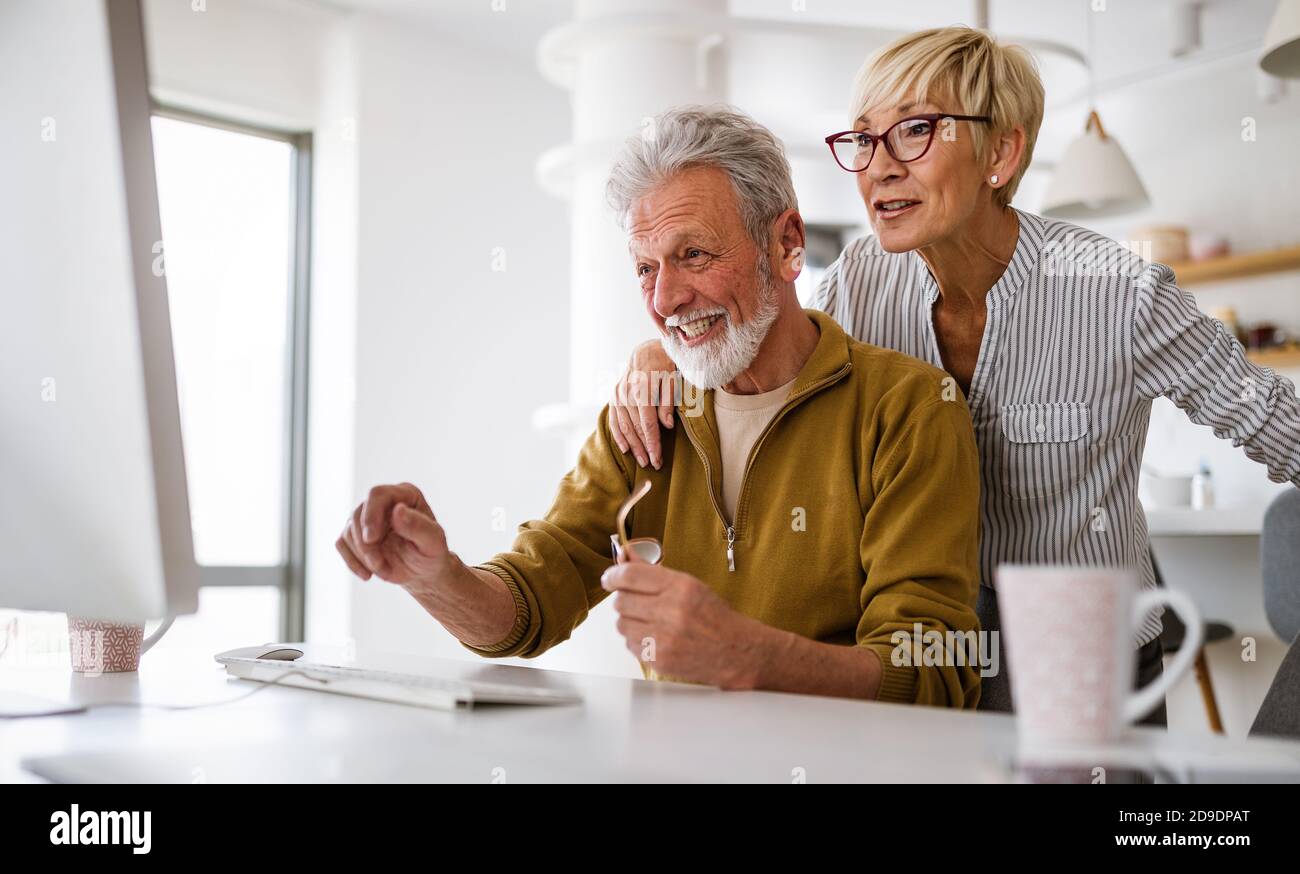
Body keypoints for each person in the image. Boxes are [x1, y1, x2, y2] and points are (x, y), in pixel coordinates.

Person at [608, 27, 1300, 722]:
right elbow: (764, 355)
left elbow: (1279, 425)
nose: (879, 167)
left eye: (914, 131)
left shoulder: (1121, 294)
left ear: (1000, 152)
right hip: (921, 662)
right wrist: (662, 355)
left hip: (1082, 671)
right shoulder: (858, 282)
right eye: (865, 140)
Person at [338, 107, 984, 707]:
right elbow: (533, 602)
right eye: (645, 268)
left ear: (787, 243)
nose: (666, 298)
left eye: (693, 254)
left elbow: (935, 668)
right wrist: (436, 578)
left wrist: (753, 658)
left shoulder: (911, 408)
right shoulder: (646, 412)